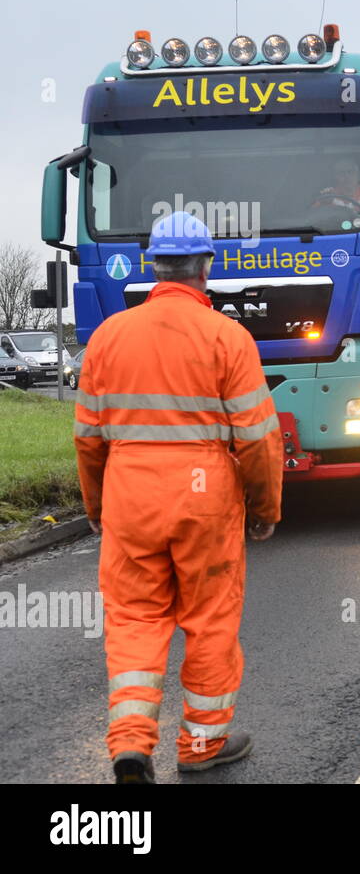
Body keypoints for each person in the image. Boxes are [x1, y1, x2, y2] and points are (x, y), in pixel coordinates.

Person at [74, 211, 282, 784]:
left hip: (129, 497)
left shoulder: (109, 337)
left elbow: (88, 438)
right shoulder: (227, 337)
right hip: (205, 499)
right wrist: (265, 507)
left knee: (134, 623)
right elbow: (258, 437)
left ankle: (130, 746)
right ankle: (199, 746)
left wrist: (97, 507)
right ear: (206, 267)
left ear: (153, 265)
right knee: (209, 622)